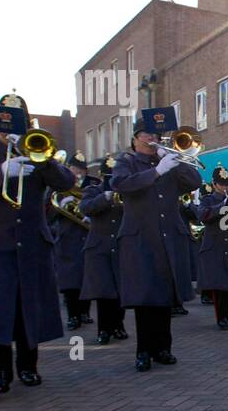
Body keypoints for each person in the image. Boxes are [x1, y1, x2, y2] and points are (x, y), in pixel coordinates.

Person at [0, 96, 75, 395]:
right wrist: (1, 172)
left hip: (32, 241)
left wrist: (42, 159)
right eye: (6, 120)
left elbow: (65, 181)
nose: (10, 127)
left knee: (28, 306)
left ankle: (28, 367)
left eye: (17, 119)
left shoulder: (37, 148)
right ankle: (0, 373)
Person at [109, 108, 203, 371]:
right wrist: (157, 172)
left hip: (168, 237)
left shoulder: (169, 160)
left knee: (164, 297)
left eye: (157, 134)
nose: (154, 137)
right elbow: (121, 185)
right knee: (144, 298)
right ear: (136, 137)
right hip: (140, 238)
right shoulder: (126, 161)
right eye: (148, 133)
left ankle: (164, 348)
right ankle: (143, 351)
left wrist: (176, 160)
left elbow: (195, 181)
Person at [79, 156, 128, 345]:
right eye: (108, 176)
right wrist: (105, 197)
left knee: (121, 289)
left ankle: (119, 325)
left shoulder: (125, 190)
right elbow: (85, 208)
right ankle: (104, 329)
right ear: (101, 175)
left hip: (121, 245)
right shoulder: (92, 190)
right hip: (99, 247)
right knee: (103, 291)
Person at [197, 165, 228, 330]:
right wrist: (222, 206)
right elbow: (203, 215)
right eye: (221, 184)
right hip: (215, 246)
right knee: (220, 284)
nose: (225, 187)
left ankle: (226, 316)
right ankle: (221, 317)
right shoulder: (207, 200)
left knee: (227, 283)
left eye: (226, 184)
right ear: (214, 183)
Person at [51, 152, 93, 330]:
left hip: (88, 238)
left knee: (87, 279)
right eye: (75, 169)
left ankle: (84, 312)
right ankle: (73, 316)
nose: (78, 173)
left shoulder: (92, 184)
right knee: (70, 282)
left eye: (81, 169)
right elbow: (47, 215)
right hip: (68, 239)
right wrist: (61, 206)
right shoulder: (59, 188)